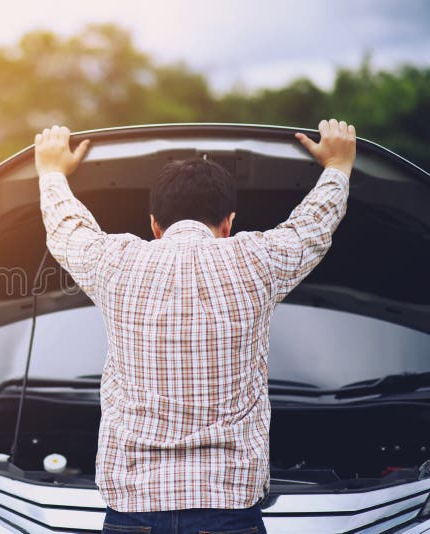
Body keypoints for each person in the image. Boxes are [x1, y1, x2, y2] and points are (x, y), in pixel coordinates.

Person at [34, 120, 356, 534]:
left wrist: (51, 172)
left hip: (133, 510)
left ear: (154, 224)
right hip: (229, 512)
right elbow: (313, 226)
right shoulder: (257, 261)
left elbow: (66, 229)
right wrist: (338, 166)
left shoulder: (113, 262)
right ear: (229, 222)